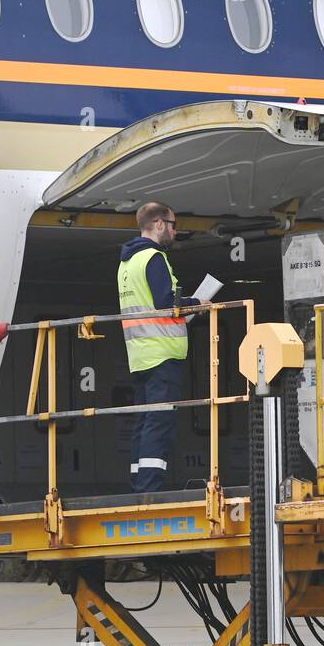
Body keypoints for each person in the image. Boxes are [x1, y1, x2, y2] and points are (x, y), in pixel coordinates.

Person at [117, 202, 197, 493]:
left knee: (144, 420)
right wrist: (197, 304)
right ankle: (149, 487)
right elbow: (166, 304)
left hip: (139, 356)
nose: (176, 231)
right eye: (173, 224)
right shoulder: (154, 258)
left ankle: (140, 483)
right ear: (159, 224)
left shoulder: (126, 264)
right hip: (162, 353)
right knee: (159, 421)